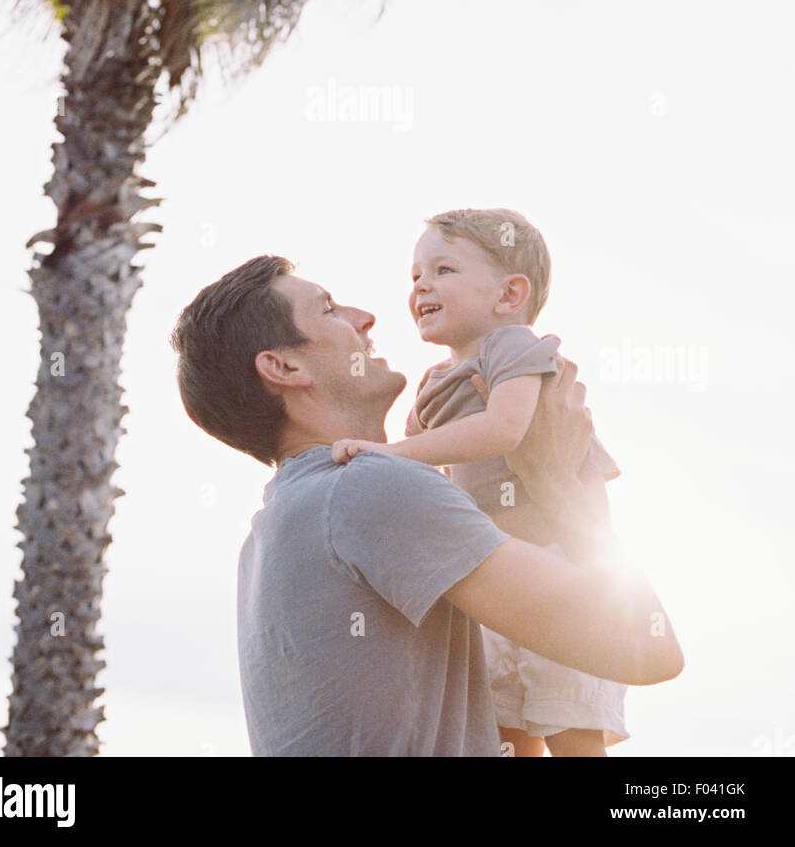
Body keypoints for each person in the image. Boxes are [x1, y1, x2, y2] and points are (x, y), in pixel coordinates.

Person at [171, 254, 683, 757]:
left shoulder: (279, 527)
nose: (364, 317)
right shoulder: (367, 490)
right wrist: (556, 480)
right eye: (328, 309)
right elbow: (648, 649)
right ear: (284, 366)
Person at [332, 207, 627, 757]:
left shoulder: (513, 348)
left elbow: (504, 429)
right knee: (502, 735)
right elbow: (419, 473)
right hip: (496, 581)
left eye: (443, 269)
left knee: (571, 733)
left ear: (509, 295)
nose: (421, 284)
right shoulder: (432, 381)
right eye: (415, 274)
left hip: (562, 568)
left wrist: (387, 453)